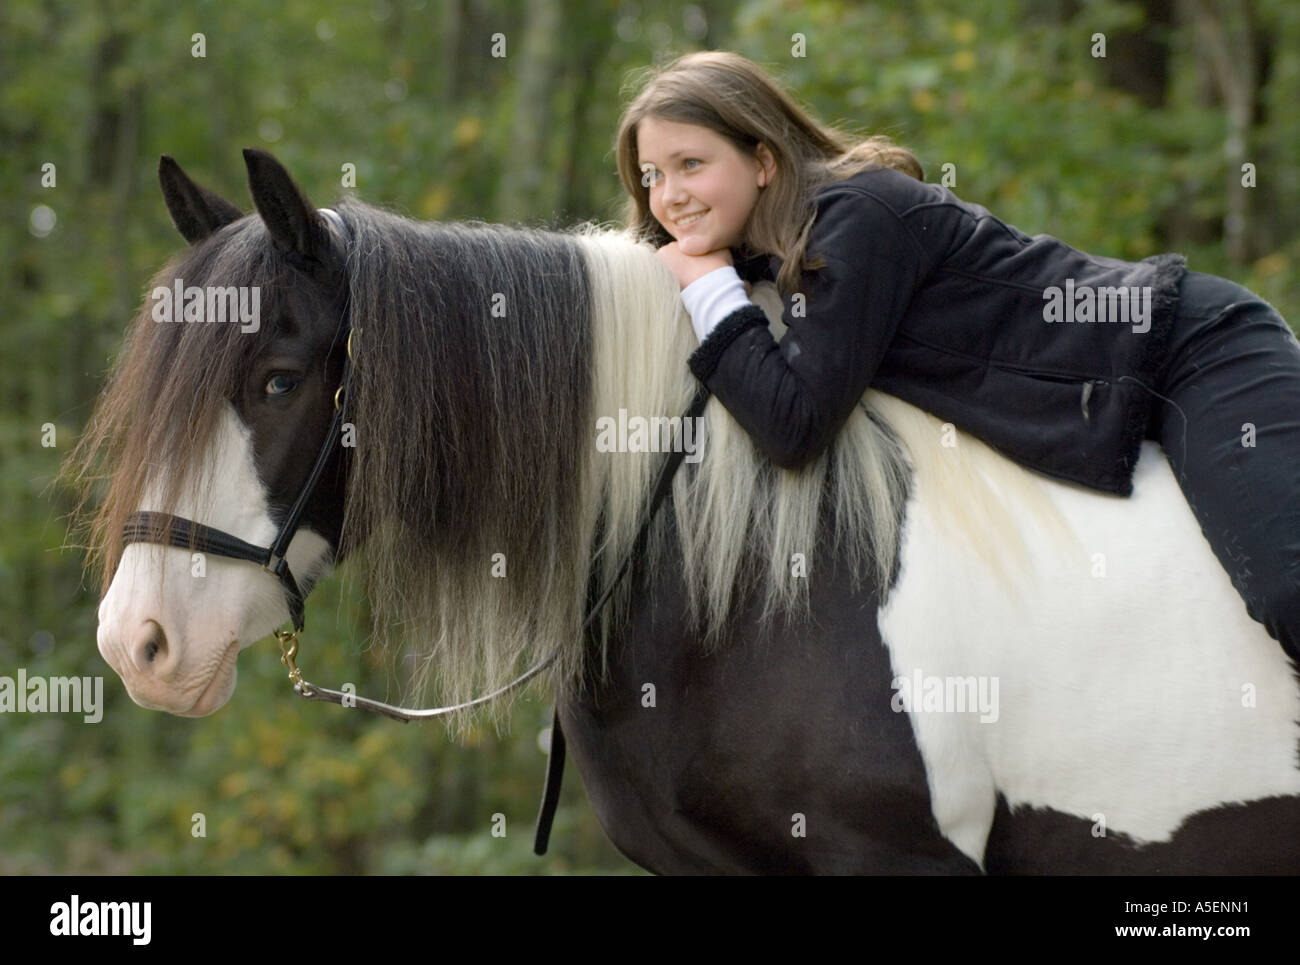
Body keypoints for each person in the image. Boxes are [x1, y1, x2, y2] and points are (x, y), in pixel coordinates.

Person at [613, 50, 1300, 664]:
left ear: (762, 161)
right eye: (651, 175)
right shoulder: (752, 260)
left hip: (1192, 345)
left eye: (691, 165)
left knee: (1287, 589)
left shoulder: (857, 214)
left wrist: (709, 291)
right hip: (1131, 388)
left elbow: (793, 425)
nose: (668, 196)